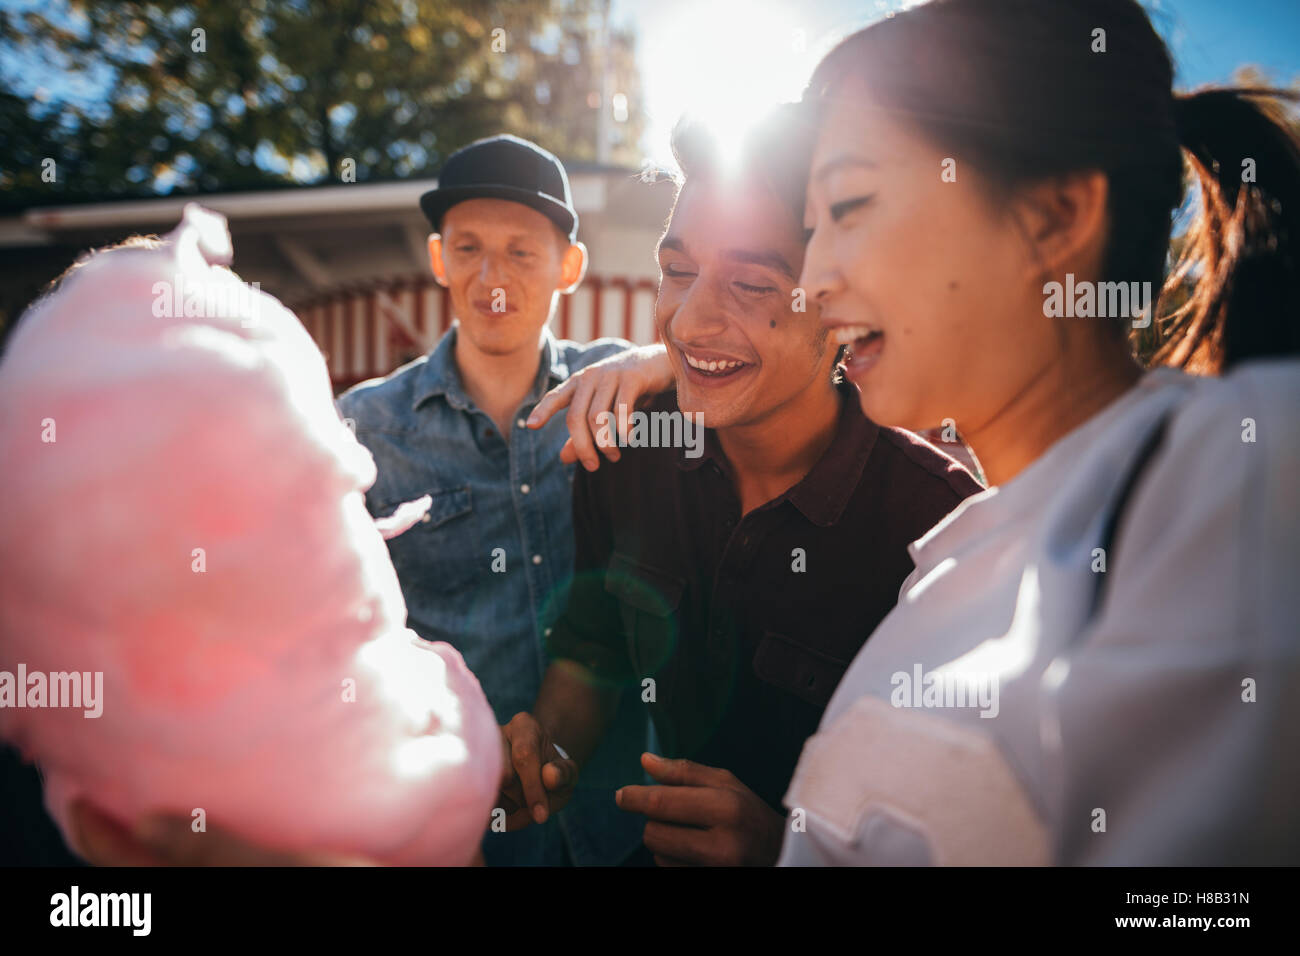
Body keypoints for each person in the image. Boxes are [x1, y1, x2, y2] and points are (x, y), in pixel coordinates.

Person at [778, 0, 1300, 864]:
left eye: (851, 204)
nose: (811, 279)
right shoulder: (955, 563)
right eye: (808, 228)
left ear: (1054, 219)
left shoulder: (1235, 473)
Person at [497, 107, 982, 866]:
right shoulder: (626, 447)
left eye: (752, 283)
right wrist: (549, 747)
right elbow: (593, 646)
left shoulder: (939, 527)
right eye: (678, 270)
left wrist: (786, 847)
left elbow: (973, 824)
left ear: (842, 302)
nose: (688, 322)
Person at [335, 135, 667, 866]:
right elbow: (328, 645)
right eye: (469, 247)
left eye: (522, 251)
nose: (491, 277)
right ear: (437, 258)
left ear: (568, 267)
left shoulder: (620, 392)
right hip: (464, 839)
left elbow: (741, 386)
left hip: (624, 831)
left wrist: (656, 360)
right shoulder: (362, 432)